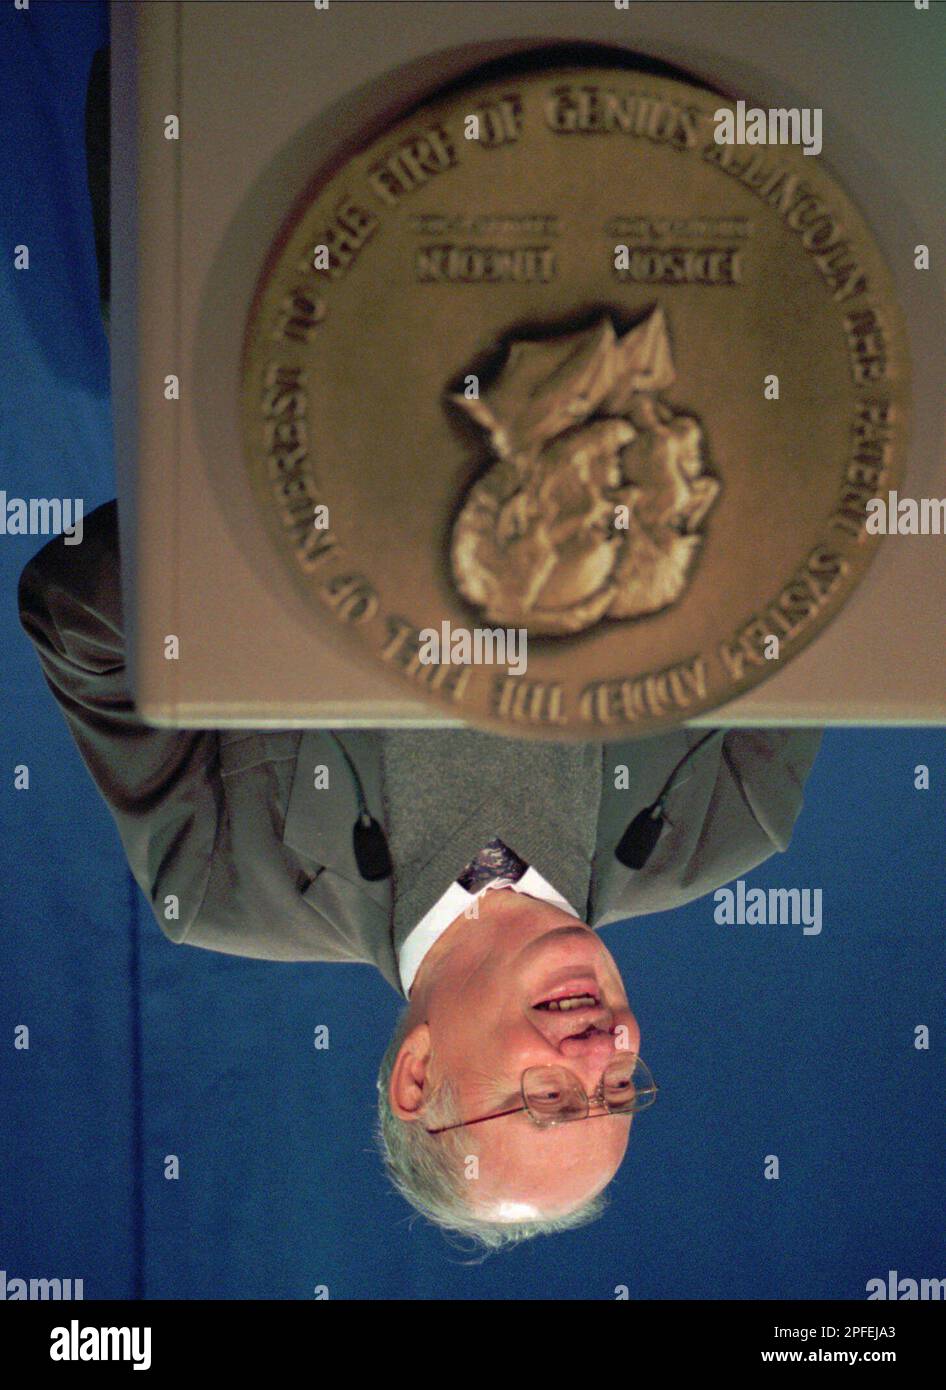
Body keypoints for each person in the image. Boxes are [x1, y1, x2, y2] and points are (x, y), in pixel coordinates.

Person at [18, 499, 822, 1248]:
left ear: (417, 1073)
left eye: (550, 1100)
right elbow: (811, 528)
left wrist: (313, 511)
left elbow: (74, 610)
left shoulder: (218, 881)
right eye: (619, 1089)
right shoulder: (733, 816)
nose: (604, 1048)